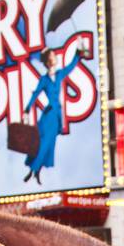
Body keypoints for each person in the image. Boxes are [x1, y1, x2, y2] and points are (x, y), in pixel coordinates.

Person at [23, 40, 86, 186]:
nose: (55, 57)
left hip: (56, 115)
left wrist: (77, 53)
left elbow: (70, 67)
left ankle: (35, 171)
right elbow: (36, 93)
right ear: (48, 61)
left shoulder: (59, 75)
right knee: (40, 143)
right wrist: (27, 109)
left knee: (47, 145)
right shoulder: (44, 79)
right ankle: (34, 170)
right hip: (47, 115)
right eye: (52, 55)